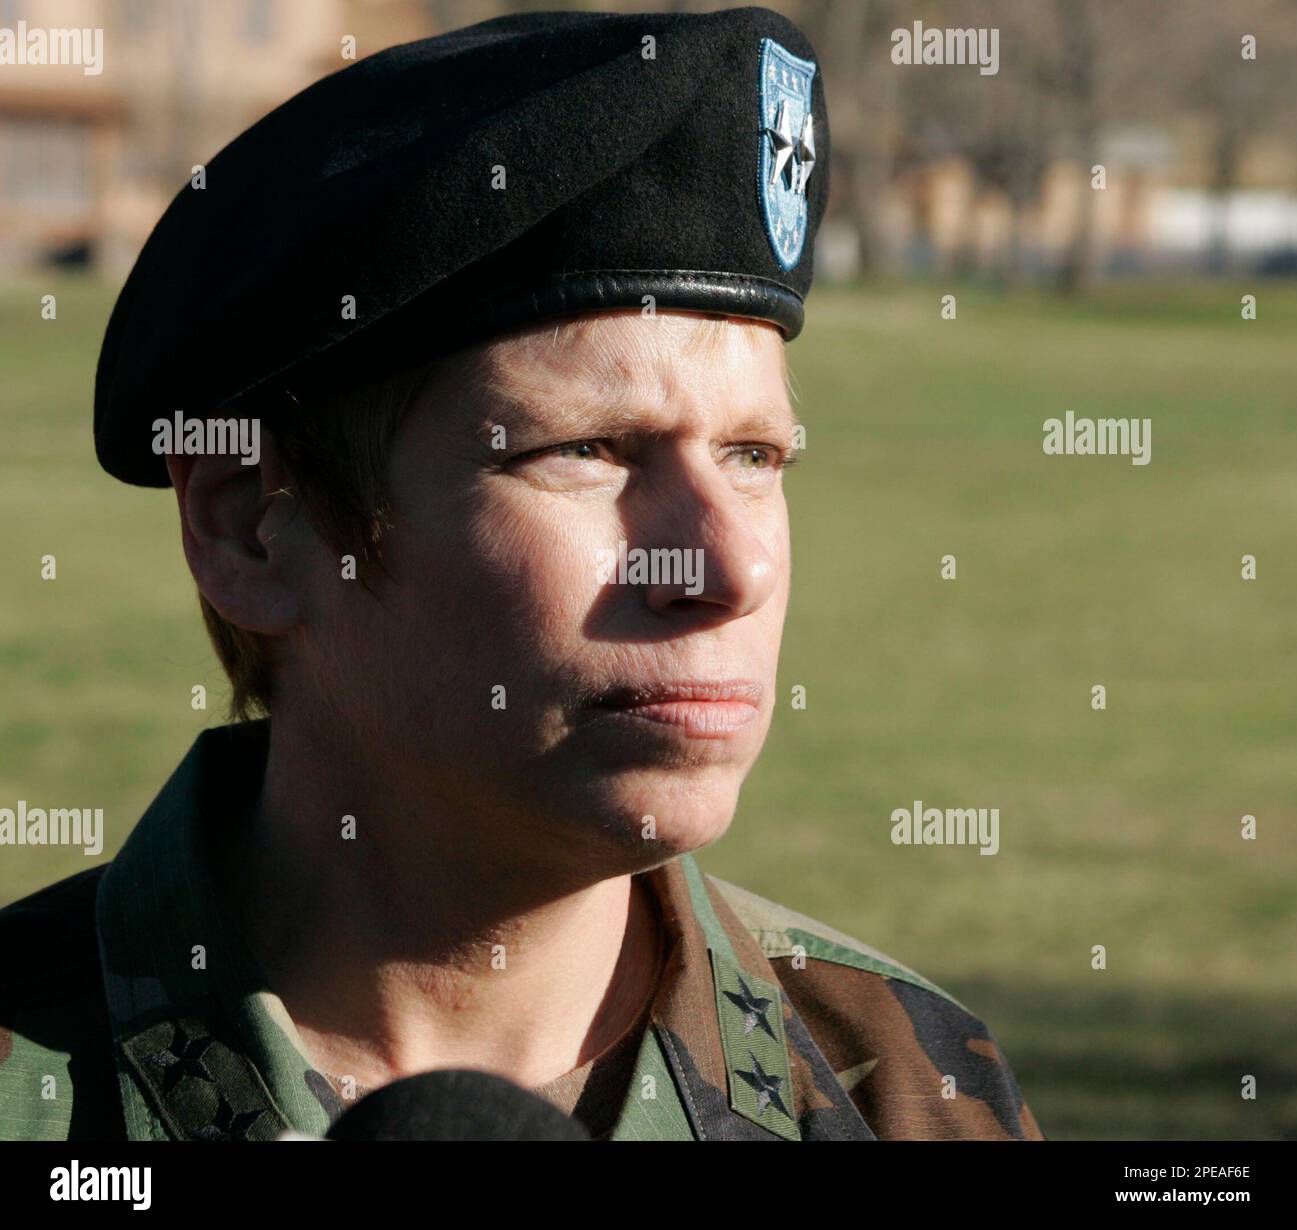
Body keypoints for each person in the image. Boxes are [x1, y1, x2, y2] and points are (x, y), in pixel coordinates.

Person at [0, 6, 1042, 1142]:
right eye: (587, 450)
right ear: (256, 529)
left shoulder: (905, 1088)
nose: (729, 565)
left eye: (754, 456)